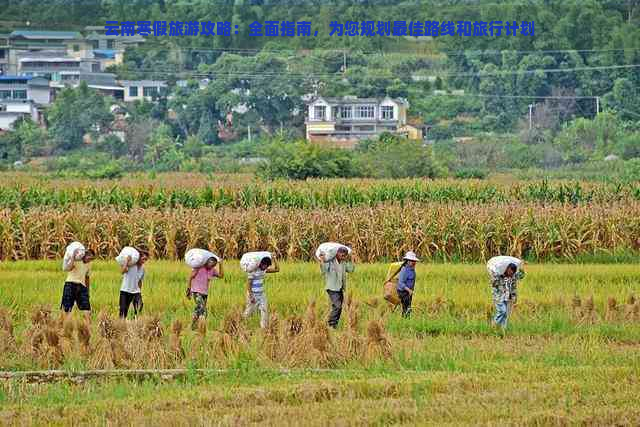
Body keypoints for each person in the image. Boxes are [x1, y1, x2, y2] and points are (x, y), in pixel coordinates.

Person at [319, 247, 355, 329]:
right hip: (331, 288)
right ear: (337, 253)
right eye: (342, 255)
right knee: (337, 306)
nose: (343, 257)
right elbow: (323, 270)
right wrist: (322, 260)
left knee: (339, 307)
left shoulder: (344, 263)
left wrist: (352, 259)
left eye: (345, 256)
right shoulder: (330, 261)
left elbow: (351, 270)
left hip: (340, 288)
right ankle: (330, 324)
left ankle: (334, 325)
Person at [187, 256, 224, 330]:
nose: (212, 266)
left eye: (214, 265)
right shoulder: (199, 267)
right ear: (207, 262)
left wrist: (221, 264)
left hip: (205, 293)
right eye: (211, 264)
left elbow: (221, 276)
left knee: (197, 310)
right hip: (196, 292)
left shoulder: (212, 270)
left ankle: (192, 327)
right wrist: (188, 290)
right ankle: (202, 328)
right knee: (203, 310)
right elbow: (190, 277)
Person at [243, 256, 279, 329]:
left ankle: (264, 328)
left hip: (261, 294)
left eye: (267, 266)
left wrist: (274, 259)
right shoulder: (252, 270)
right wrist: (251, 296)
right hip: (253, 294)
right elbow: (248, 285)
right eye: (265, 265)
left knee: (264, 310)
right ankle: (240, 323)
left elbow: (277, 269)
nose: (266, 267)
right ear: (261, 264)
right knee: (249, 311)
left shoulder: (264, 270)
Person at [61, 248, 95, 321]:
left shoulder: (89, 264)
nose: (90, 260)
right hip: (70, 284)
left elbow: (87, 277)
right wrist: (73, 257)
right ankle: (63, 327)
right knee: (66, 309)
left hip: (82, 287)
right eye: (90, 258)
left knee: (87, 310)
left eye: (92, 259)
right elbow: (67, 268)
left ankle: (87, 328)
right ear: (86, 254)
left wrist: (87, 291)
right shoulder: (76, 259)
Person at [490, 262, 525, 330]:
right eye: (510, 271)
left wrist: (521, 267)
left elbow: (521, 276)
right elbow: (493, 284)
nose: (510, 273)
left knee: (506, 314)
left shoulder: (513, 277)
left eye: (512, 272)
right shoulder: (499, 275)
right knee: (502, 311)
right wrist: (495, 275)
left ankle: (503, 329)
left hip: (508, 297)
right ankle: (494, 325)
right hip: (498, 297)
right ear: (507, 269)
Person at [119, 250, 148, 319]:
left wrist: (140, 291)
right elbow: (122, 271)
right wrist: (126, 261)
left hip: (136, 292)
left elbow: (140, 281)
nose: (144, 261)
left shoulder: (143, 269)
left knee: (139, 306)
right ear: (138, 258)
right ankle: (121, 325)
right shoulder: (131, 265)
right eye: (143, 259)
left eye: (146, 260)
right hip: (125, 290)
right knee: (123, 310)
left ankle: (135, 322)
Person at [396, 251, 420, 318]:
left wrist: (411, 290)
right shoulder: (404, 270)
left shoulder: (412, 270)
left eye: (414, 261)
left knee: (408, 307)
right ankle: (405, 320)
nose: (414, 263)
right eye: (412, 261)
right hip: (403, 292)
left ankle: (406, 320)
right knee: (406, 308)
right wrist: (408, 290)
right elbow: (400, 283)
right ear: (408, 261)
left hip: (409, 292)